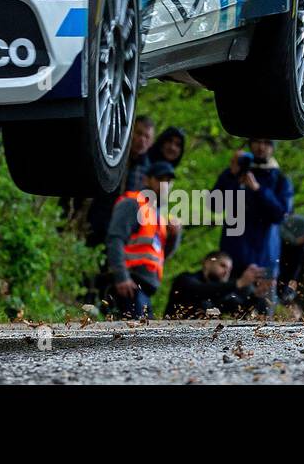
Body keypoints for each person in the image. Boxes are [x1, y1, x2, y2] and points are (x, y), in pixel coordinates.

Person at [213, 138, 294, 306]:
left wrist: (258, 190)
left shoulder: (280, 180)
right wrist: (232, 175)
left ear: (272, 147)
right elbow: (214, 204)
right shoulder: (236, 173)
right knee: (226, 313)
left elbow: (280, 215)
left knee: (262, 319)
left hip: (265, 262)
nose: (260, 146)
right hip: (233, 260)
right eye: (257, 141)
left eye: (266, 142)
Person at [105, 160, 180, 319]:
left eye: (169, 181)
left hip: (142, 291)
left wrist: (174, 236)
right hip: (128, 286)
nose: (165, 185)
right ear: (147, 180)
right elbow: (115, 239)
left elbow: (161, 255)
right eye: (161, 179)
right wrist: (122, 277)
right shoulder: (133, 204)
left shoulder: (157, 215)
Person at [85, 114, 154, 249]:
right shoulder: (109, 152)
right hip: (94, 214)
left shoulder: (148, 173)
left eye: (147, 137)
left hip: (119, 229)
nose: (142, 140)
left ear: (151, 143)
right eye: (139, 133)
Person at [164, 250, 269, 318]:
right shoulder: (185, 280)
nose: (226, 272)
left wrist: (256, 295)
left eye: (229, 269)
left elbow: (240, 310)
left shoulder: (222, 292)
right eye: (223, 266)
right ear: (207, 263)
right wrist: (239, 283)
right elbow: (200, 291)